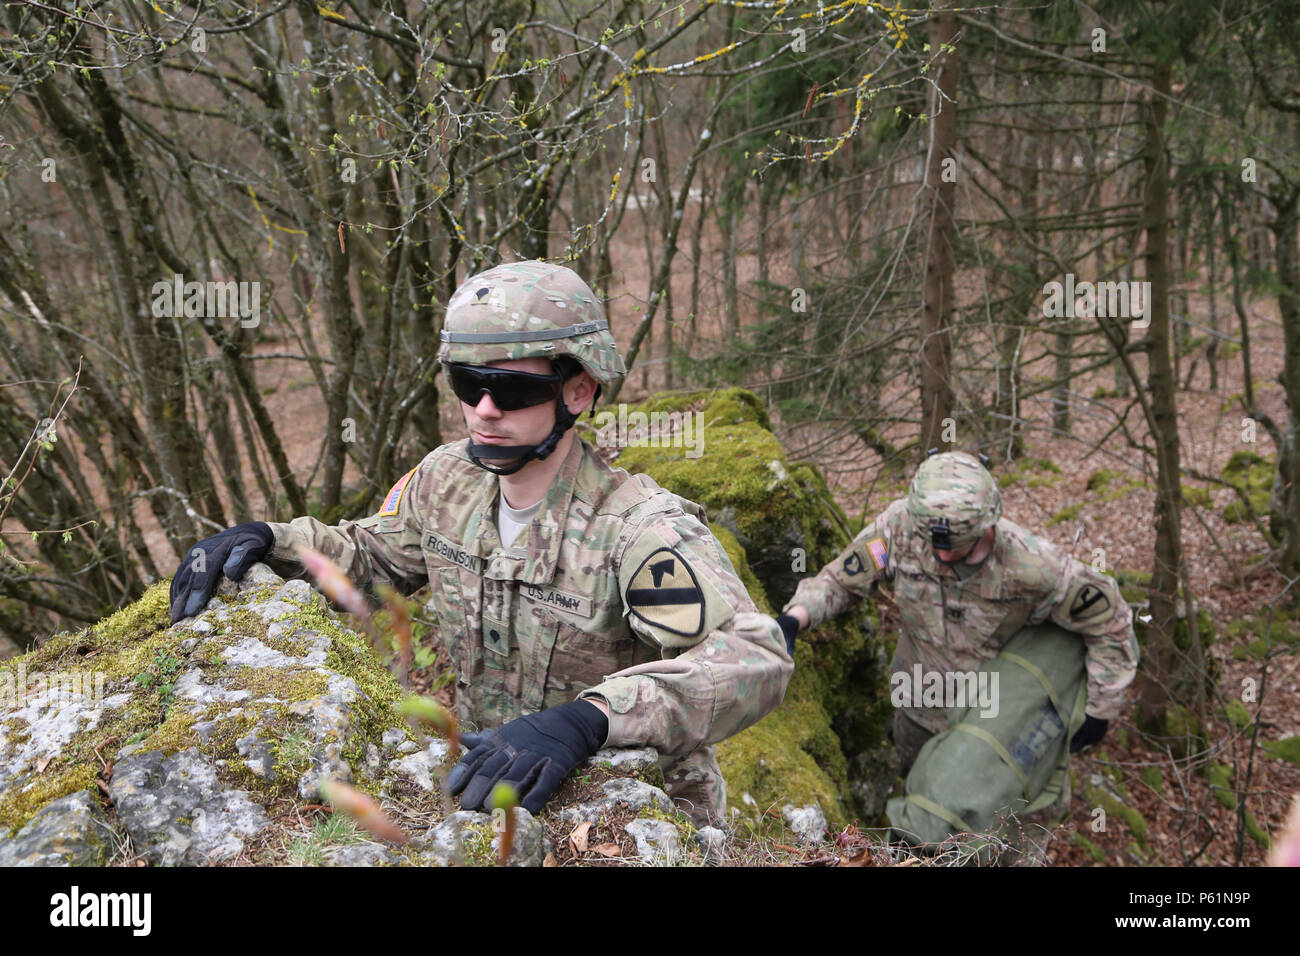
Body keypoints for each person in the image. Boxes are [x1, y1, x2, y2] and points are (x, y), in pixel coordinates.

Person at [168, 259, 792, 824]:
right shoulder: (447, 480)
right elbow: (375, 555)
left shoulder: (634, 530)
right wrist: (271, 541)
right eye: (469, 386)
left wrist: (592, 718)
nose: (485, 410)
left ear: (579, 390)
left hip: (632, 805)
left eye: (514, 390)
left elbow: (754, 660)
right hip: (488, 784)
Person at [775, 450, 1138, 780]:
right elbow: (842, 581)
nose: (943, 557)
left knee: (979, 819)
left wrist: (1099, 710)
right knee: (917, 800)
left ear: (988, 525)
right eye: (933, 545)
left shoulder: (1034, 568)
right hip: (917, 703)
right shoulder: (899, 532)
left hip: (994, 719)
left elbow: (1110, 620)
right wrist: (795, 618)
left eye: (958, 546)